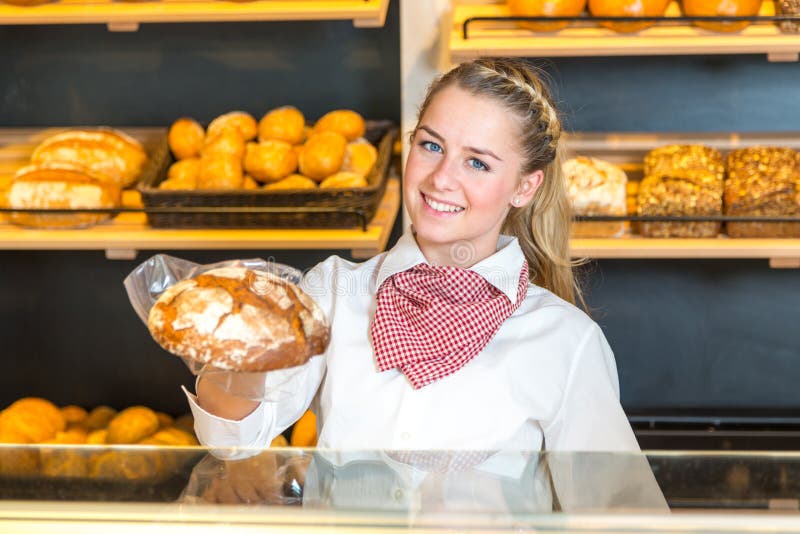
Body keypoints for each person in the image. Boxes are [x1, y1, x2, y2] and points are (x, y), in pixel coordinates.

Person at [183, 57, 640, 454]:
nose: (441, 178)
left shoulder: (565, 340)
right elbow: (232, 439)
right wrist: (235, 342)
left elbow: (616, 514)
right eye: (431, 145)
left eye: (477, 162)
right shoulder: (334, 292)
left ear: (524, 186)